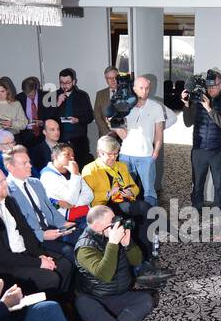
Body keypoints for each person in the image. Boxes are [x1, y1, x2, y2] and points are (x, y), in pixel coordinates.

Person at [0, 165, 74, 296]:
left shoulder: (8, 200)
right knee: (50, 278)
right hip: (3, 265)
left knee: (65, 265)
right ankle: (44, 309)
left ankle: (61, 303)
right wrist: (38, 262)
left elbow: (25, 231)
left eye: (4, 179)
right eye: (0, 182)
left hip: (23, 253)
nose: (6, 184)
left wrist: (39, 254)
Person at [74, 206, 166, 321]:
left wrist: (128, 244)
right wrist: (113, 244)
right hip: (95, 298)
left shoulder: (112, 234)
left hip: (119, 295)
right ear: (97, 226)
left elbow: (137, 260)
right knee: (82, 303)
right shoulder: (84, 247)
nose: (118, 224)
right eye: (112, 222)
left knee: (146, 299)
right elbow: (105, 275)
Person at [82, 135, 158, 263]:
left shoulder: (121, 166)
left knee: (143, 218)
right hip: (104, 207)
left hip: (124, 201)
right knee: (144, 208)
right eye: (109, 154)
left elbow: (135, 188)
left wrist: (129, 191)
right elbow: (88, 198)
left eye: (116, 154)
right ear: (100, 153)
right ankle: (147, 252)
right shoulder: (90, 170)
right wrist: (108, 193)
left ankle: (146, 256)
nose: (113, 157)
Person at [6, 146, 78, 261]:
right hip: (32, 238)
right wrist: (41, 235)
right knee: (70, 252)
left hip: (50, 228)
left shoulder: (36, 183)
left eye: (29, 162)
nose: (30, 165)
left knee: (83, 238)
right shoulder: (7, 191)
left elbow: (50, 209)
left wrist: (63, 223)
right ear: (10, 168)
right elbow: (15, 226)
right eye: (24, 163)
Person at [183, 68, 221, 210]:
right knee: (197, 183)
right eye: (209, 86)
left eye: (214, 86)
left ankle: (219, 211)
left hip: (218, 151)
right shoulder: (198, 99)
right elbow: (188, 123)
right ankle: (196, 209)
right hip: (199, 150)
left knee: (219, 185)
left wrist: (209, 109)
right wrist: (186, 104)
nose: (211, 89)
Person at [111, 76, 166, 207]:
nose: (144, 91)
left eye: (147, 88)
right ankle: (129, 217)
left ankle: (151, 220)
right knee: (125, 189)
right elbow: (124, 136)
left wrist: (156, 151)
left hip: (146, 156)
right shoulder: (124, 107)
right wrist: (113, 123)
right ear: (134, 89)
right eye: (141, 88)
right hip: (126, 155)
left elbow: (159, 132)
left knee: (149, 192)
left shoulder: (156, 107)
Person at [43, 67, 94, 165]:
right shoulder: (53, 95)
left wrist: (78, 120)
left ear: (74, 82)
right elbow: (47, 118)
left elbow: (90, 117)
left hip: (79, 139)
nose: (65, 85)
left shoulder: (82, 96)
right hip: (60, 139)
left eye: (68, 82)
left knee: (80, 166)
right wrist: (57, 103)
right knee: (63, 166)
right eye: (62, 83)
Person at [40, 141, 93, 223]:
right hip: (67, 221)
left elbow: (90, 195)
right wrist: (75, 175)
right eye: (67, 154)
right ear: (55, 156)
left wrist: (73, 204)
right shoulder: (47, 176)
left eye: (73, 156)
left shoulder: (73, 172)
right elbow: (71, 199)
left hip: (84, 214)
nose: (71, 158)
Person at [16, 75, 45, 146]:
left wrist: (43, 122)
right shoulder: (18, 98)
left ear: (36, 88)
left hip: (43, 133)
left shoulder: (46, 96)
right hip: (26, 136)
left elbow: (52, 114)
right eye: (27, 94)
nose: (30, 97)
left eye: (32, 94)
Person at [91, 65, 120, 138]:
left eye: (115, 77)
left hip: (124, 136)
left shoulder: (126, 93)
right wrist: (107, 132)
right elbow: (97, 115)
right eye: (109, 78)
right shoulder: (100, 94)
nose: (113, 80)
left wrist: (121, 132)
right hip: (105, 136)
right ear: (106, 79)